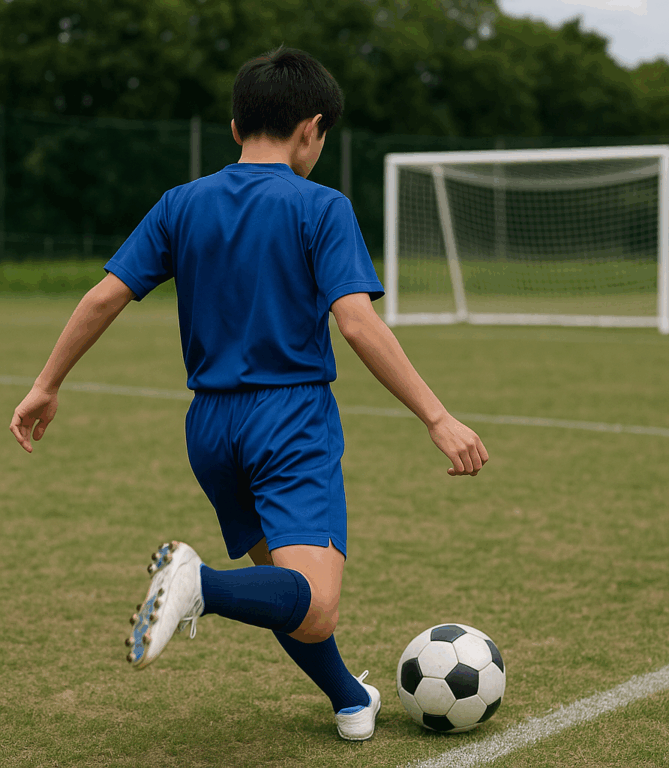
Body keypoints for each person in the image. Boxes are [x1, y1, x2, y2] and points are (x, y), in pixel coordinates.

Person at [9, 46, 489, 741]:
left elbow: (105, 296)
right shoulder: (321, 206)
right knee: (313, 603)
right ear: (312, 129)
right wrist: (437, 417)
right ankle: (197, 583)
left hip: (210, 429)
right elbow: (355, 322)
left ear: (235, 127)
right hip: (288, 420)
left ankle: (351, 698)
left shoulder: (182, 204)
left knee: (286, 596)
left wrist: (46, 384)